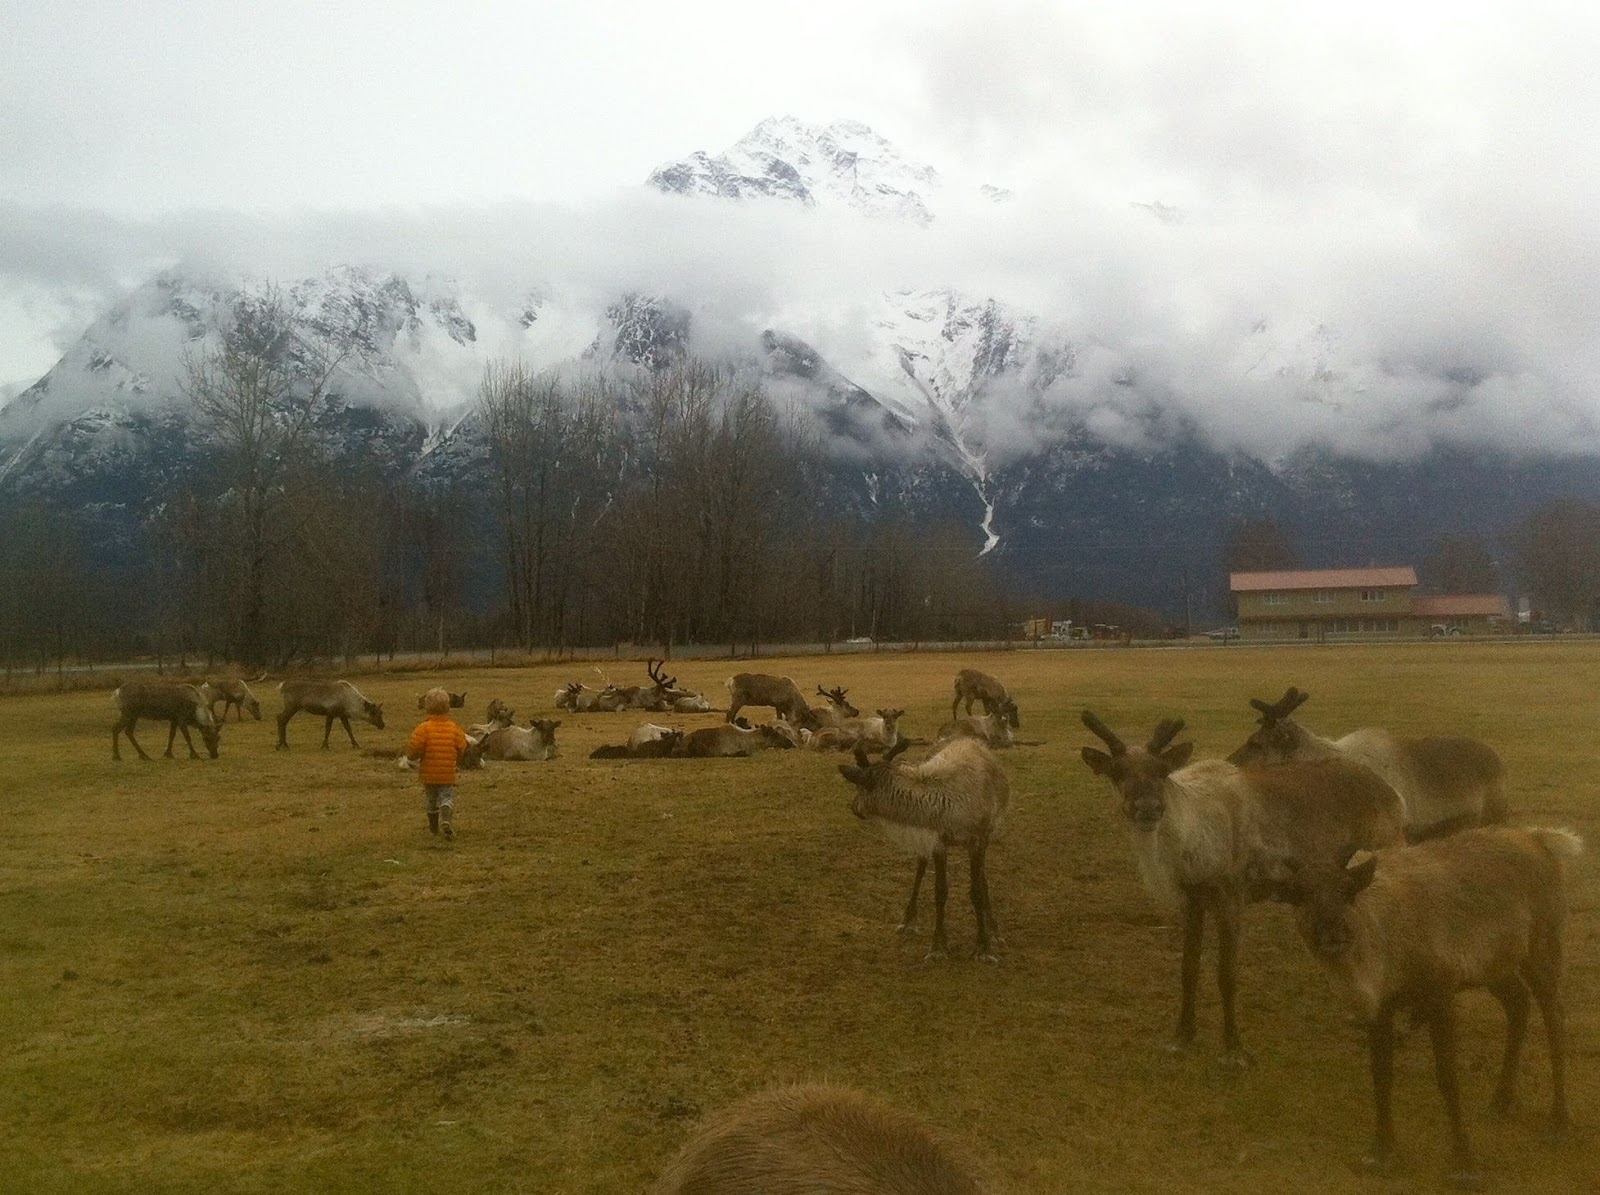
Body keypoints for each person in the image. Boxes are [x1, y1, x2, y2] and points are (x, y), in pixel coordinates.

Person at [406, 687, 470, 840]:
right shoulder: (453, 728)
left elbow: (414, 748)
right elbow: (462, 746)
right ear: (448, 706)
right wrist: (458, 759)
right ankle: (446, 815)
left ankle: (434, 827)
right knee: (446, 796)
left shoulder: (423, 729)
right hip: (447, 772)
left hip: (428, 773)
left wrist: (412, 757)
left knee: (431, 800)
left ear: (427, 707)